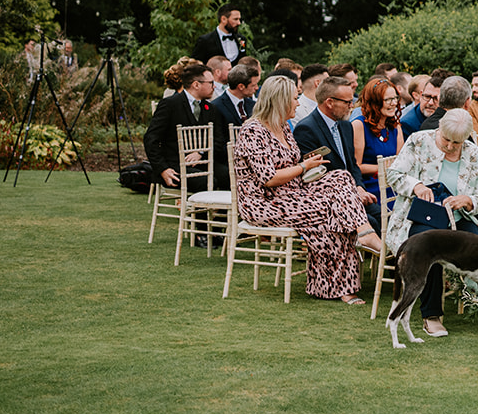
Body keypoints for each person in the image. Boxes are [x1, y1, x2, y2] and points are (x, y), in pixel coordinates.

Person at [234, 76, 383, 305]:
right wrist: (304, 166)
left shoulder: (283, 126)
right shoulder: (253, 131)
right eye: (295, 99)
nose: (298, 103)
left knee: (341, 177)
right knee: (334, 212)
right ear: (280, 101)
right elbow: (268, 178)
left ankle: (363, 235)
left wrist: (307, 164)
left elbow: (291, 165)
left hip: (292, 193)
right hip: (263, 203)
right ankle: (341, 283)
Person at [384, 108, 478, 335]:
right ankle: (431, 314)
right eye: (446, 139)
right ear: (439, 128)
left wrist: (468, 200)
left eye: (456, 143)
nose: (450, 146)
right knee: (428, 246)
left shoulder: (475, 154)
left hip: (458, 218)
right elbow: (393, 174)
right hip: (419, 215)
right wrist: (417, 186)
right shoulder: (418, 141)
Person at [292, 77, 378, 229]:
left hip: (352, 194)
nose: (351, 106)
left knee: (385, 217)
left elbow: (352, 165)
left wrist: (359, 187)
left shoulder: (345, 125)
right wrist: (350, 193)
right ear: (330, 102)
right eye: (347, 102)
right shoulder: (306, 129)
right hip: (329, 202)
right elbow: (316, 177)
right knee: (371, 223)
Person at [144, 61, 220, 190]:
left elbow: (218, 139)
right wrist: (163, 169)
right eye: (211, 83)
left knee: (229, 175)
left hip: (203, 162)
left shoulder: (210, 109)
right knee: (207, 181)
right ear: (196, 85)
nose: (214, 87)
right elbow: (151, 139)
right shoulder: (170, 105)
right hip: (175, 165)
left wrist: (200, 153)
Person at [353, 76, 403, 206]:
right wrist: (384, 167)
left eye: (395, 98)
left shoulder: (395, 127)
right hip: (370, 187)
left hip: (392, 184)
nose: (394, 103)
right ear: (375, 102)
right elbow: (356, 166)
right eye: (388, 100)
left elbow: (400, 161)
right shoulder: (359, 125)